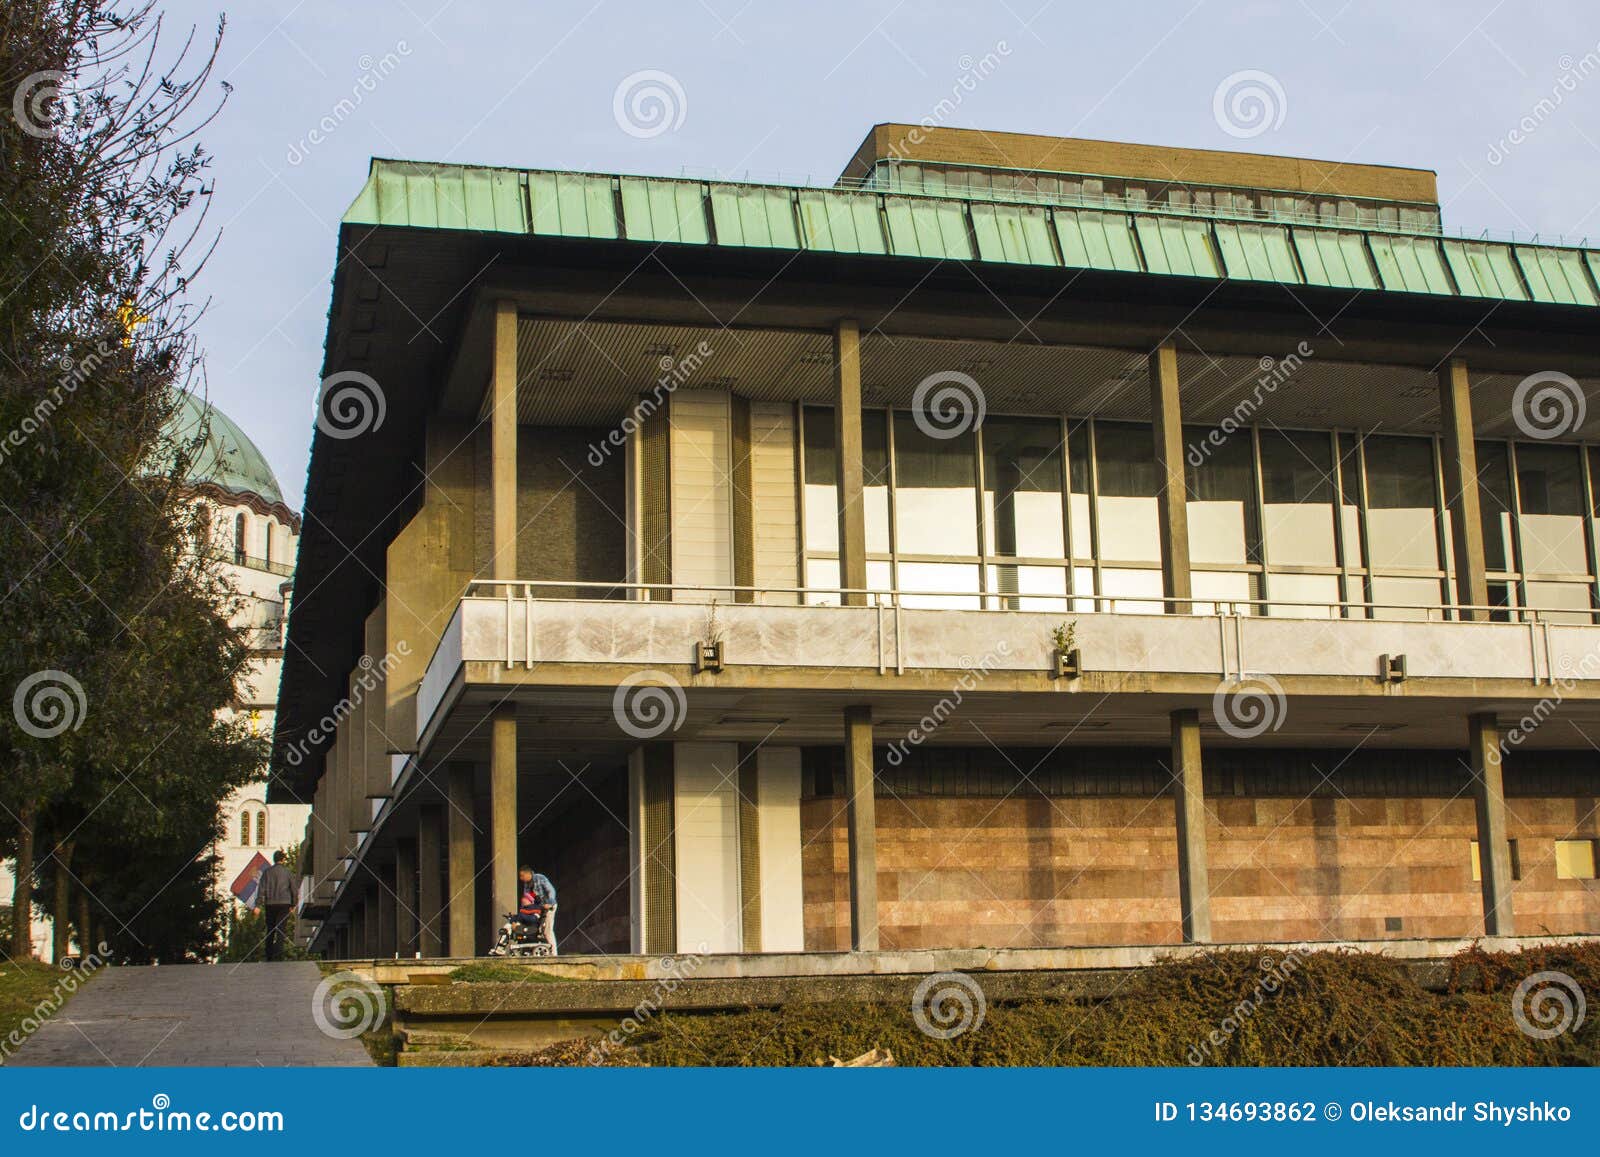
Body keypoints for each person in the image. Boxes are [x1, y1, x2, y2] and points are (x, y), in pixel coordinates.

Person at [253, 850, 298, 962]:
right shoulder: (288, 873)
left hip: (270, 904)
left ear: (274, 859)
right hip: (284, 904)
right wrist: (293, 904)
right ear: (283, 860)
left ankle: (269, 955)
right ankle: (279, 954)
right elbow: (294, 890)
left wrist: (258, 905)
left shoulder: (267, 872)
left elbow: (261, 889)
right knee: (281, 929)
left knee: (270, 929)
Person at [516, 865, 558, 954]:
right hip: (539, 909)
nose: (521, 878)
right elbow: (527, 899)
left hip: (549, 907)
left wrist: (550, 903)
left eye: (522, 876)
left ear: (528, 874)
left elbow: (551, 890)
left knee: (547, 931)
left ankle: (554, 954)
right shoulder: (526, 885)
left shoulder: (540, 878)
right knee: (537, 930)